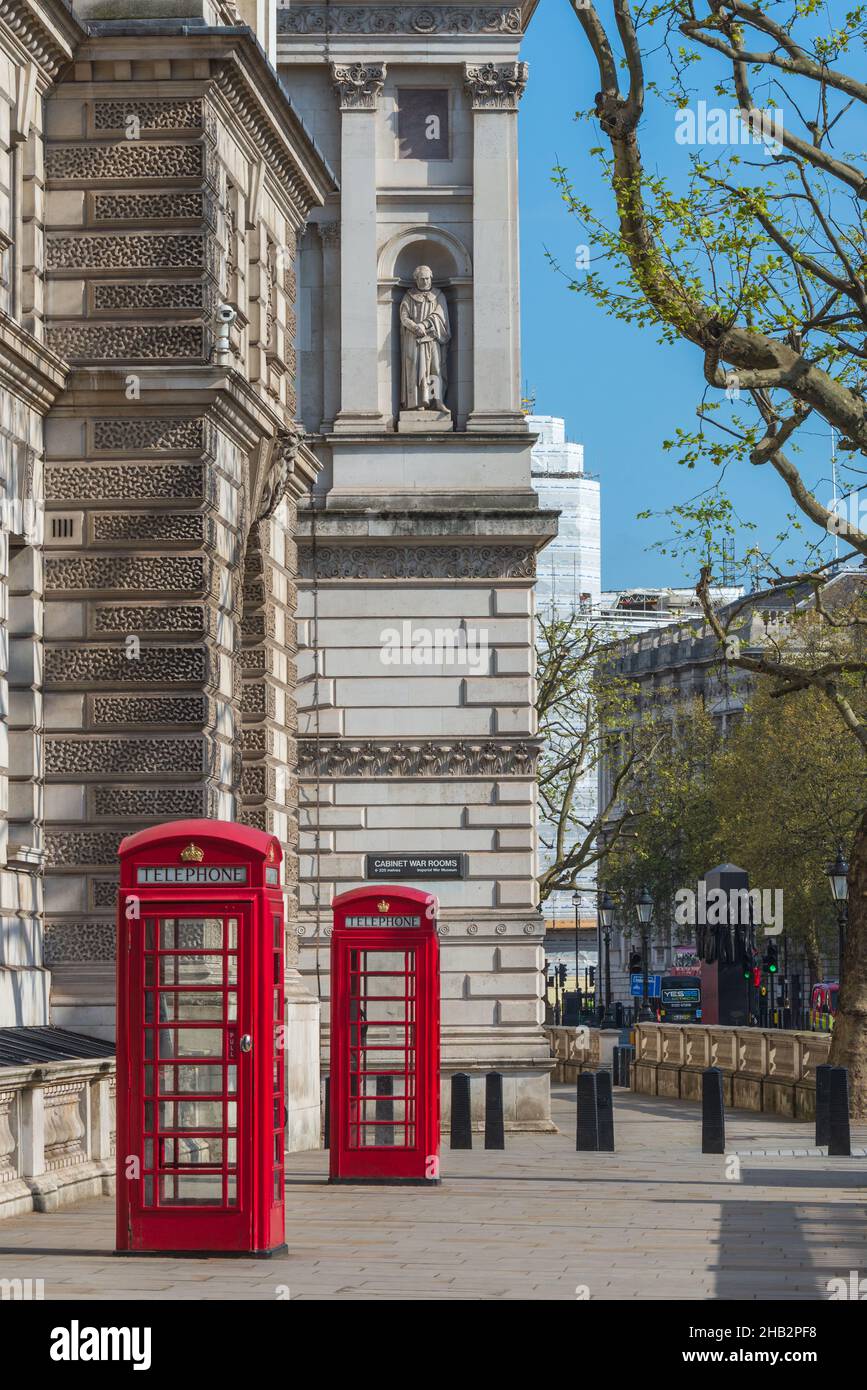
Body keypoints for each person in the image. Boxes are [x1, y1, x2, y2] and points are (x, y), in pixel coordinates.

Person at [399, 264, 450, 411]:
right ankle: (419, 402)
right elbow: (404, 317)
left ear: (431, 278)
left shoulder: (439, 295)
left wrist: (424, 325)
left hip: (432, 339)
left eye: (427, 278)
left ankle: (437, 401)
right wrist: (415, 327)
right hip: (414, 339)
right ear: (416, 279)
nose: (425, 281)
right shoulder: (408, 296)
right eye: (422, 279)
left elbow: (440, 315)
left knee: (436, 369)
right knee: (416, 369)